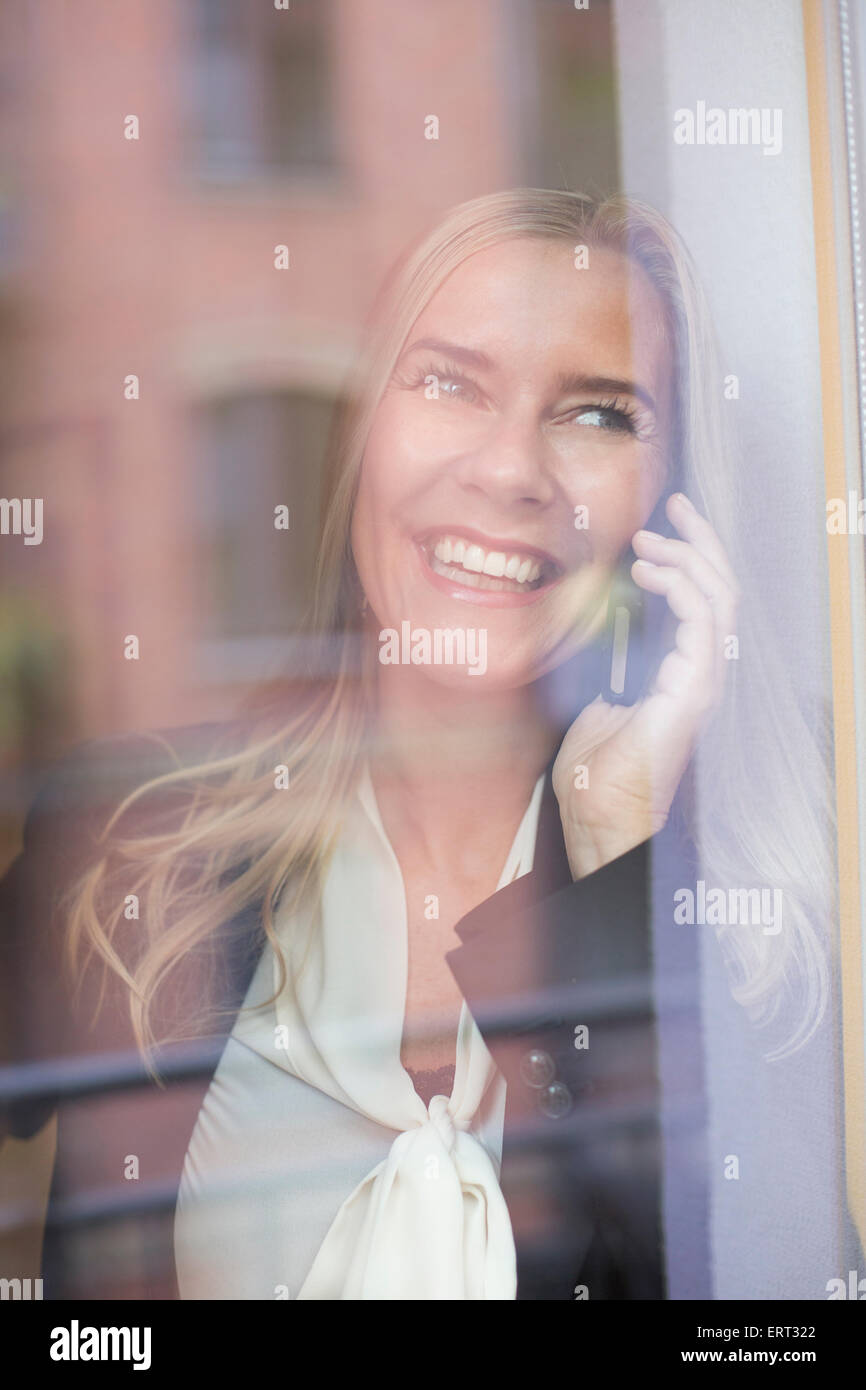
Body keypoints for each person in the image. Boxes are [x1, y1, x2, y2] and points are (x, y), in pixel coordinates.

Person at [0, 189, 834, 1300]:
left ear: (669, 508)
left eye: (598, 414)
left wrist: (608, 858)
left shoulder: (749, 926)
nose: (507, 471)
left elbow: (761, 1299)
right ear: (364, 439)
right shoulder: (134, 837)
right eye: (449, 382)